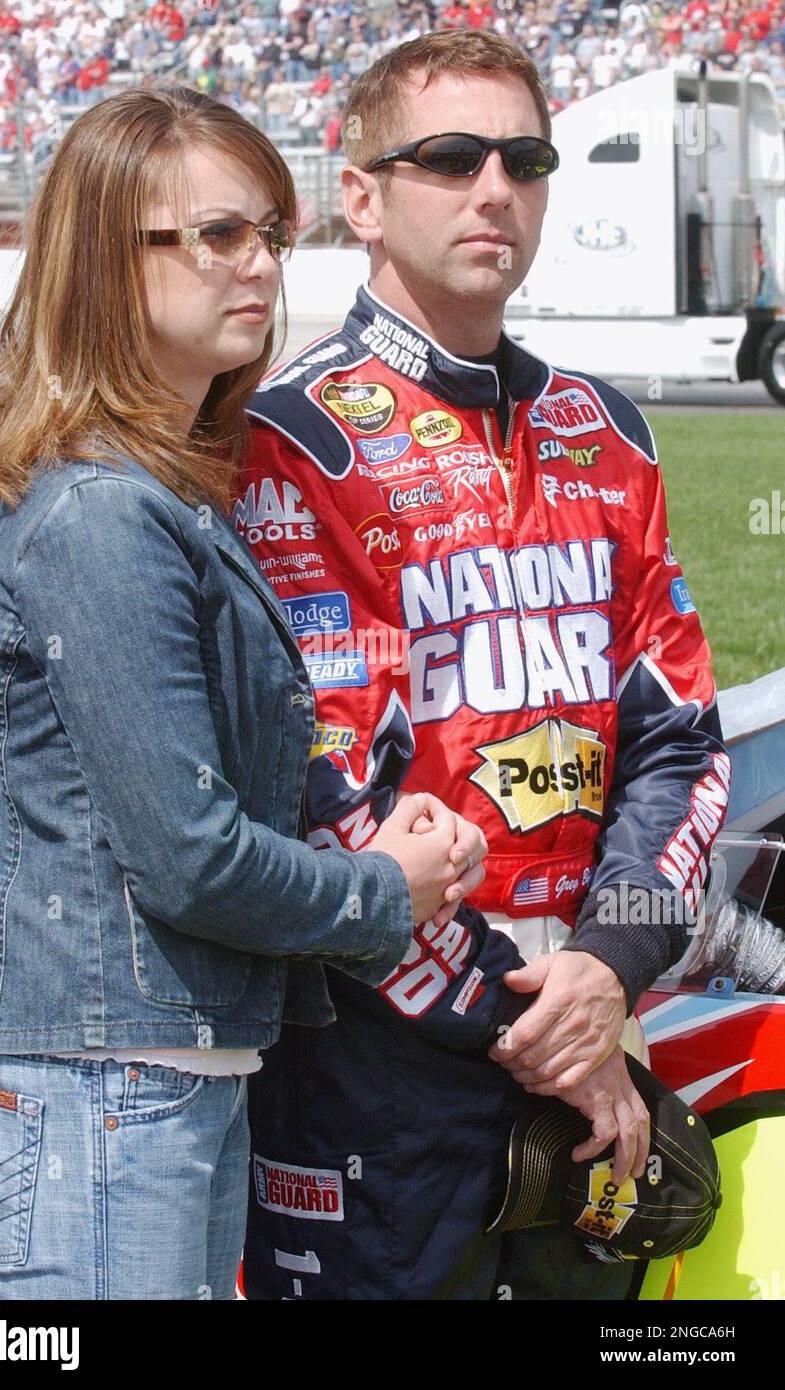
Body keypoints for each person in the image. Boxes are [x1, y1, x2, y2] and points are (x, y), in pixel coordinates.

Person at [0, 84, 489, 1301]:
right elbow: (188, 856)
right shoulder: (103, 513)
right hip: (104, 1080)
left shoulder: (153, 492)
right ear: (101, 264)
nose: (261, 265)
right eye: (218, 234)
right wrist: (381, 888)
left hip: (143, 1071)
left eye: (272, 234)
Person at [238, 30, 731, 1300]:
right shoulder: (287, 442)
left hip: (580, 1049)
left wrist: (608, 970)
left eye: (523, 156)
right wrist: (550, 1035)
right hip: (376, 1088)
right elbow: (311, 792)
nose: (492, 188)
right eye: (449, 157)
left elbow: (676, 737)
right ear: (359, 194)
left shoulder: (605, 429)